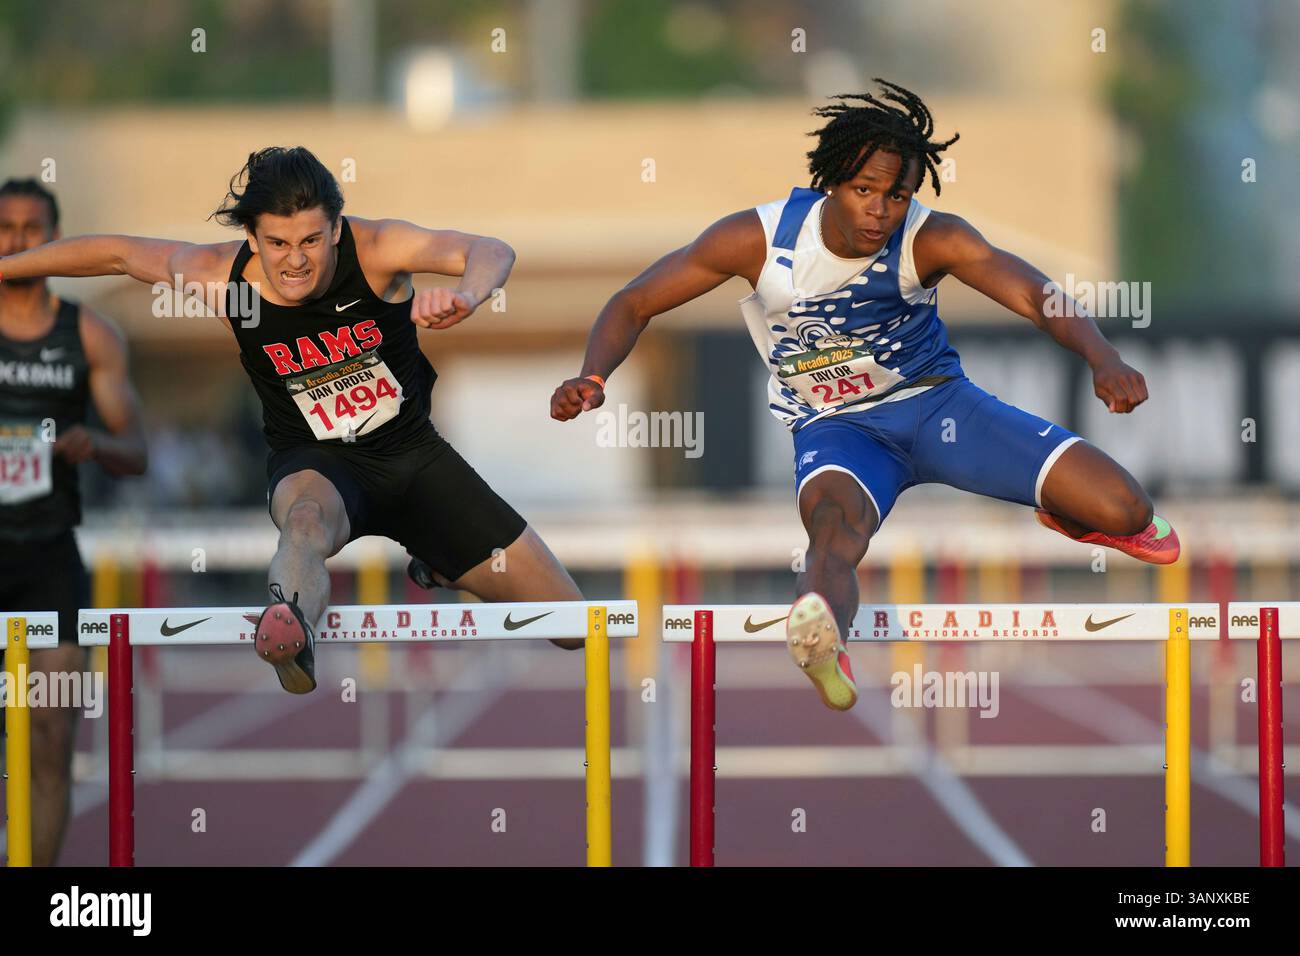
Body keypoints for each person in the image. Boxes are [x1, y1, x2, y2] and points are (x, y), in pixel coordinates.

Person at [551, 80, 1179, 711]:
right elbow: (633, 302)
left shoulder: (932, 238)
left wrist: (1104, 356)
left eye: (897, 195)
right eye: (864, 191)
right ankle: (821, 636)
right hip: (837, 427)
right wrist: (594, 375)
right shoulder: (758, 240)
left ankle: (1069, 512)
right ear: (832, 183)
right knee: (833, 529)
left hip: (939, 408)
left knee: (1128, 512)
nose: (880, 210)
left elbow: (1033, 295)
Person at [0, 147, 584, 696]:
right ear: (251, 237)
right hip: (317, 465)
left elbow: (489, 248)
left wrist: (468, 295)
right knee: (303, 522)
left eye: (311, 239)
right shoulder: (222, 279)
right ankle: (291, 633)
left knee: (572, 624)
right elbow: (117, 253)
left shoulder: (378, 250)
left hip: (416, 459)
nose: (295, 260)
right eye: (277, 243)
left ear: (336, 228)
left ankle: (441, 565)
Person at [0, 178, 148, 864]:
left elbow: (137, 452)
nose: (17, 240)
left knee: (50, 742)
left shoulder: (90, 333)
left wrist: (96, 445)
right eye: (5, 226)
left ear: (55, 241)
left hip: (49, 560)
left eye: (33, 228)